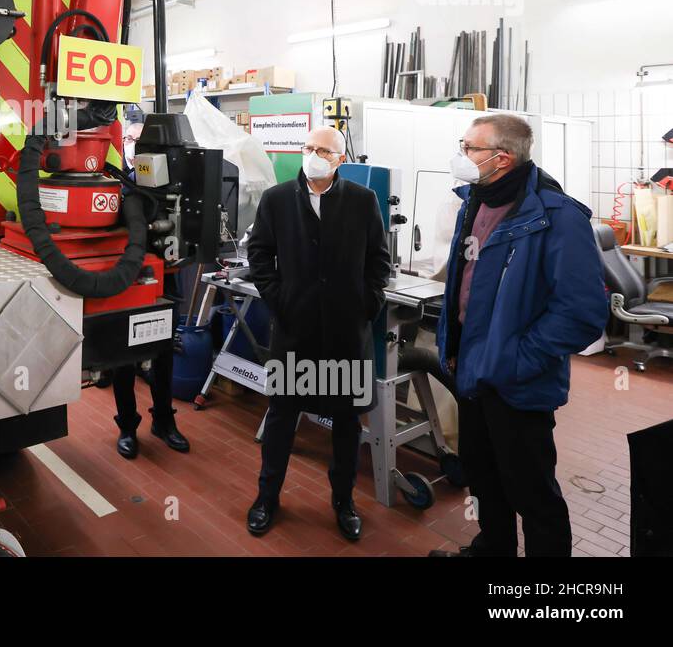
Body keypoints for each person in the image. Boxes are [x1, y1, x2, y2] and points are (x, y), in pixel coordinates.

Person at [430, 114, 607, 557]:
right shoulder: (473, 201)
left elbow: (582, 314)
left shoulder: (557, 216)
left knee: (532, 494)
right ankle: (492, 549)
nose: (462, 155)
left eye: (470, 147)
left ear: (501, 158)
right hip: (471, 372)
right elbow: (465, 284)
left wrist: (513, 361)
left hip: (518, 383)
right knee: (485, 479)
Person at [244, 126, 390, 542]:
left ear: (340, 159)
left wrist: (366, 306)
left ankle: (344, 501)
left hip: (346, 334)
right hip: (295, 331)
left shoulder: (363, 201)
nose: (313, 154)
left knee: (346, 423)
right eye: (308, 147)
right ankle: (266, 497)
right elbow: (259, 254)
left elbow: (379, 261)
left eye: (323, 149)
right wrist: (279, 299)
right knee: (282, 416)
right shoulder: (276, 200)